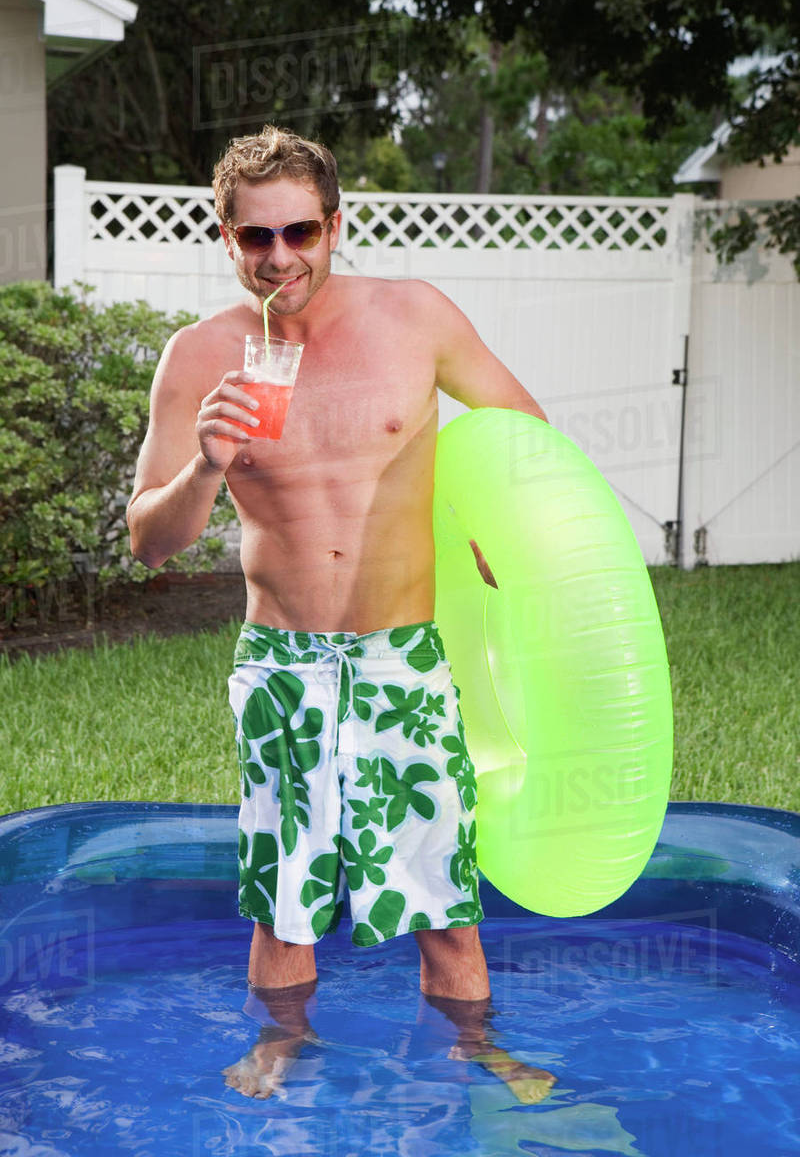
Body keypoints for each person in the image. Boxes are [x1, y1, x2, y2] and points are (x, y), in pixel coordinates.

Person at [127, 124, 554, 1102]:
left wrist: (500, 545)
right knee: (283, 902)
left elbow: (525, 441)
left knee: (443, 899)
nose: (280, 259)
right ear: (223, 234)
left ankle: (473, 1050)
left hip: (402, 656)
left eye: (300, 233)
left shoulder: (414, 319)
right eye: (256, 239)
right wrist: (205, 462)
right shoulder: (198, 358)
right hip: (281, 661)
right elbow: (151, 542)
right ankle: (282, 1045)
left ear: (335, 224)